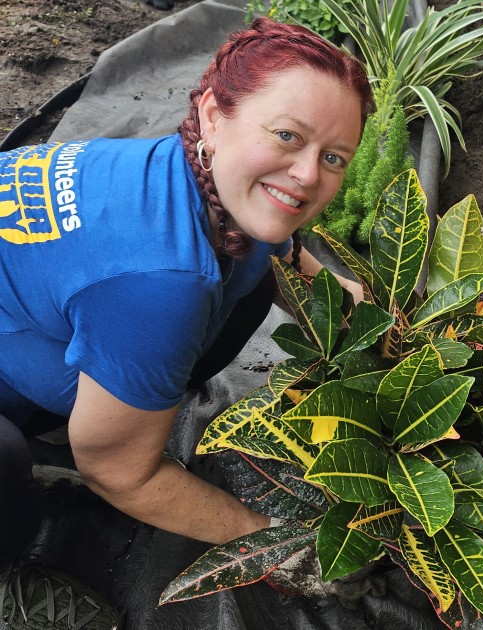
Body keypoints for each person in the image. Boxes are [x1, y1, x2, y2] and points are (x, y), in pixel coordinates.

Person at [0, 16, 373, 623]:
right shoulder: (161, 283)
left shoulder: (199, 175)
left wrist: (372, 317)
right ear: (212, 114)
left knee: (250, 280)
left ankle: (107, 411)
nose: (308, 175)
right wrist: (272, 545)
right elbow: (118, 473)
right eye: (286, 136)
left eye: (332, 157)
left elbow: (289, 256)